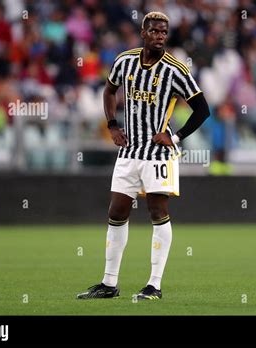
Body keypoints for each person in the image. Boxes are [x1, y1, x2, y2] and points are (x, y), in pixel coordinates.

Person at [77, 11, 210, 300]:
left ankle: (154, 285)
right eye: (154, 31)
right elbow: (109, 90)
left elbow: (203, 109)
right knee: (116, 212)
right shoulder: (125, 61)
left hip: (158, 154)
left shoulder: (176, 69)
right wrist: (112, 125)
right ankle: (109, 284)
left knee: (157, 213)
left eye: (164, 32)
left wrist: (175, 137)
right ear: (143, 32)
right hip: (129, 151)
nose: (160, 36)